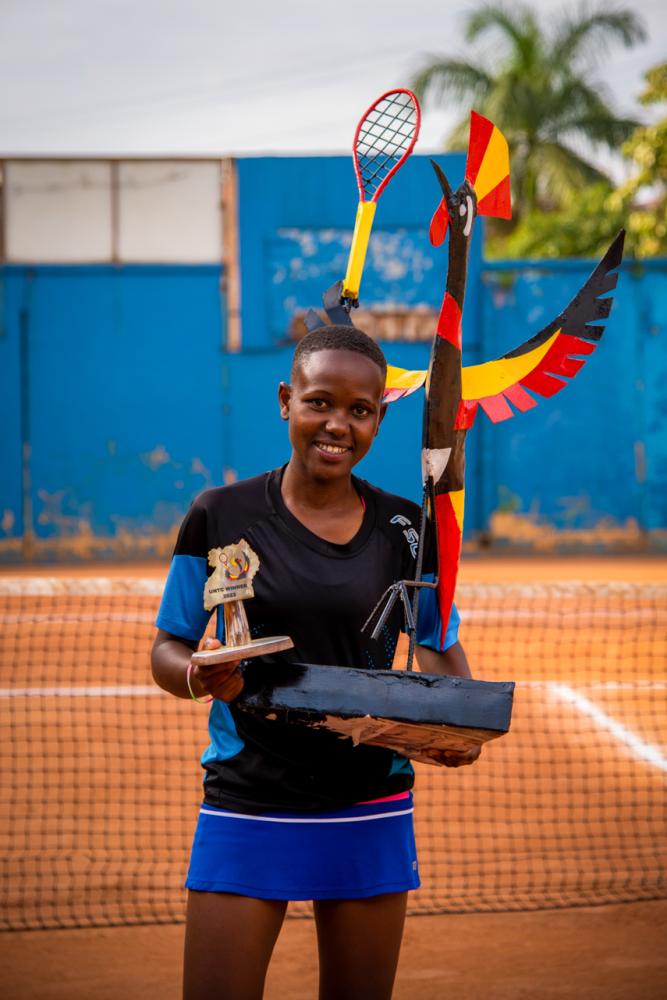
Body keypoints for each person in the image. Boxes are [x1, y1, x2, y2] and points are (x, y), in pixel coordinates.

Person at [151, 325, 481, 1000]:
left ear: (379, 419)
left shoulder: (406, 530)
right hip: (248, 797)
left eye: (359, 411)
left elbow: (438, 644)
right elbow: (169, 645)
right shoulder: (218, 515)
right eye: (319, 402)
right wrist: (196, 675)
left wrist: (457, 724)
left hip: (367, 802)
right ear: (285, 400)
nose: (337, 424)